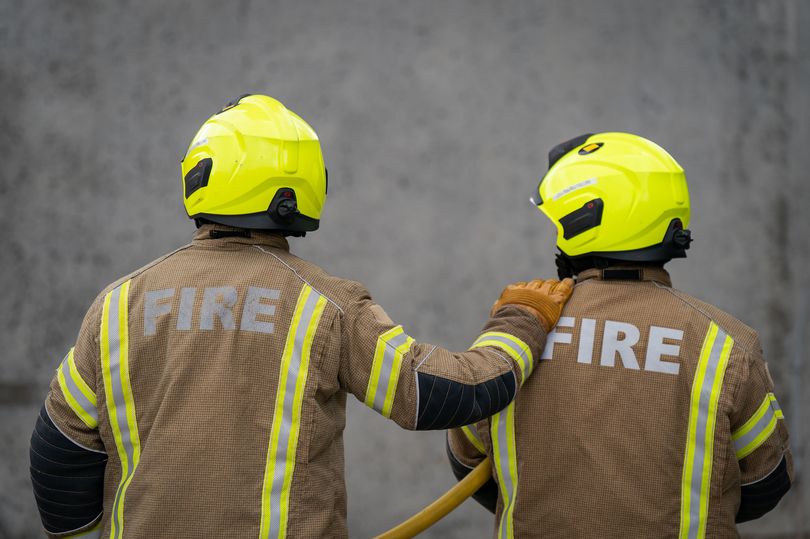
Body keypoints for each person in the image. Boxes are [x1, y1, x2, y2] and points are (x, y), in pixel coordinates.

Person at [29, 94, 573, 539]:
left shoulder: (118, 304)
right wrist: (521, 320)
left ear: (198, 176)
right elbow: (436, 392)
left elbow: (61, 448)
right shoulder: (325, 304)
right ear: (304, 187)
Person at [447, 132, 792, 538]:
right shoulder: (726, 343)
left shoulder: (520, 330)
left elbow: (468, 461)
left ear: (583, 220)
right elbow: (766, 481)